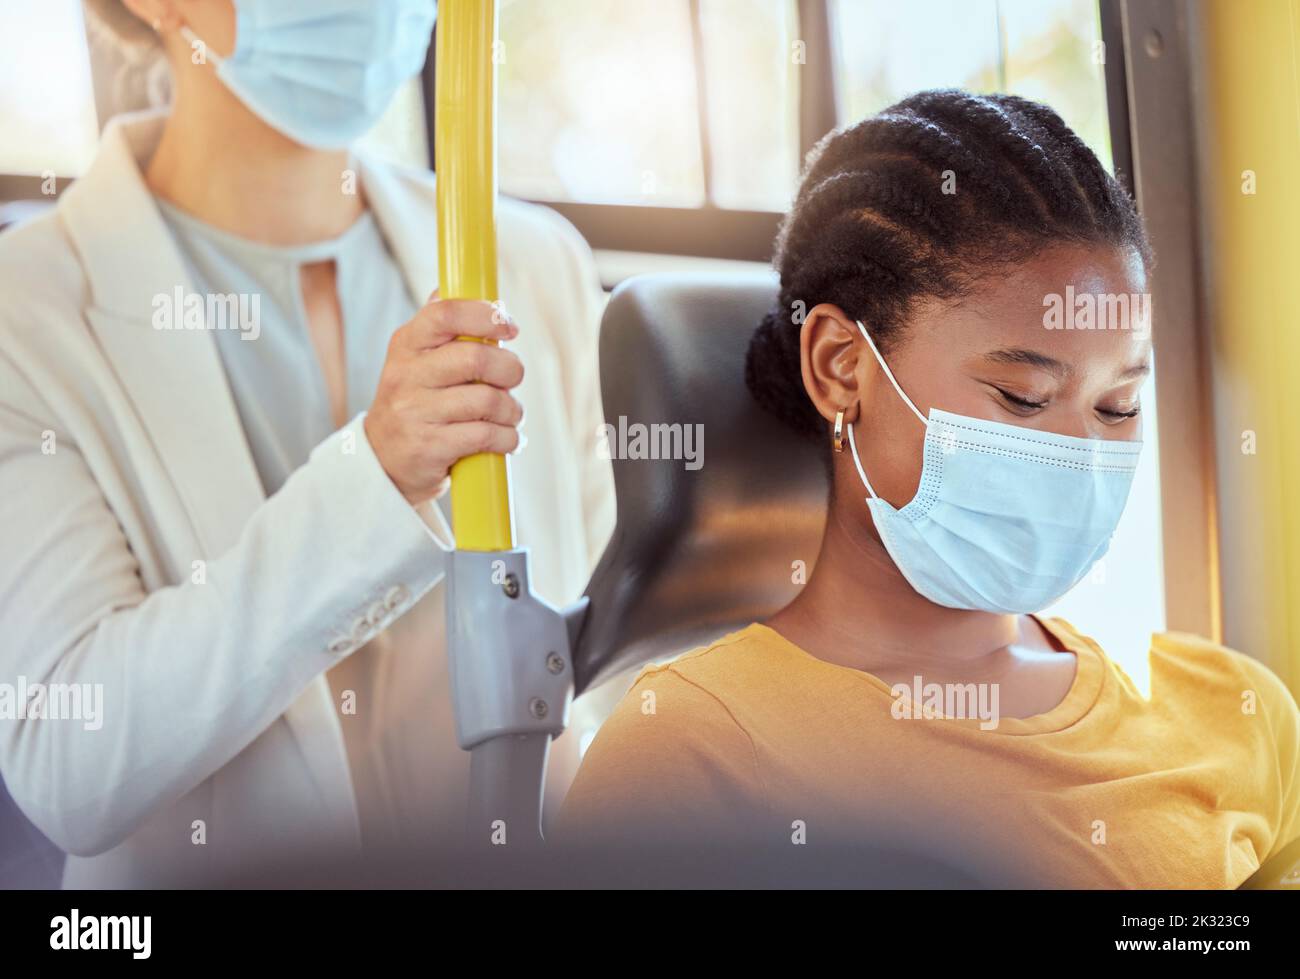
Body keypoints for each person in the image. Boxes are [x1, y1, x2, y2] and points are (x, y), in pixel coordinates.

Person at [555, 90, 1300, 888]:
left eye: (1118, 405)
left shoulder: (1237, 709)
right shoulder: (688, 759)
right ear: (842, 366)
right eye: (1021, 397)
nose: (1084, 456)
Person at [0, 0, 613, 886]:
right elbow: (72, 763)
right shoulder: (26, 314)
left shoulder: (537, 262)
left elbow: (624, 653)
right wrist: (374, 482)